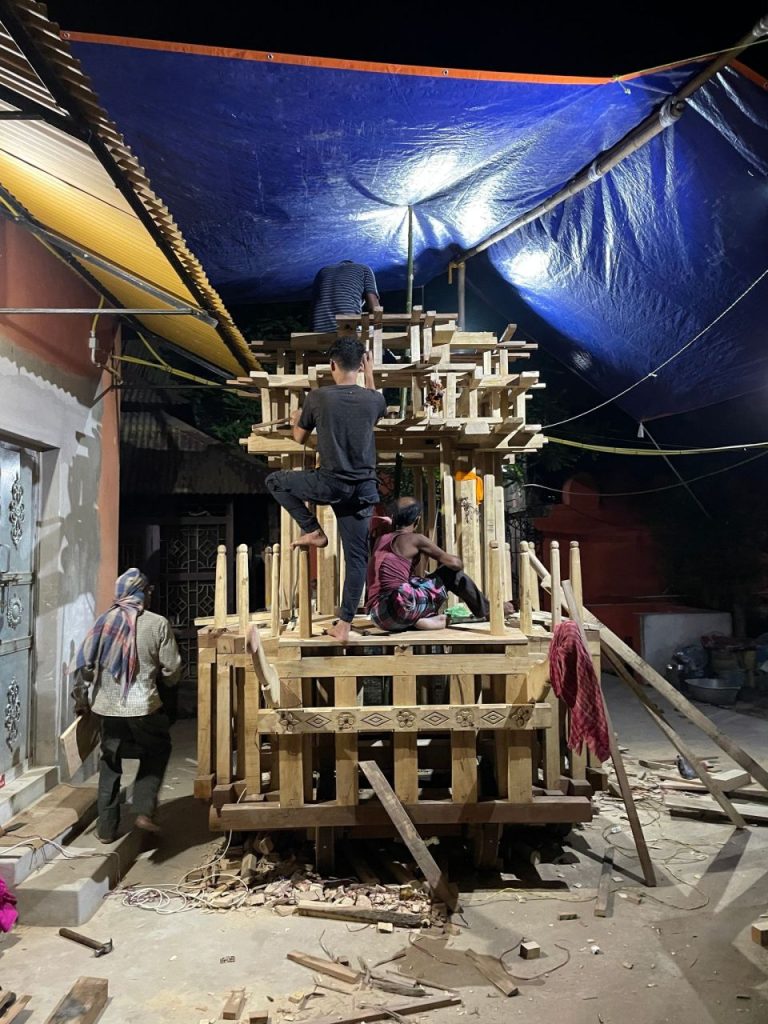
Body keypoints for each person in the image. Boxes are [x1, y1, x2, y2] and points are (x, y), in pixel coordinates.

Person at [265, 337, 387, 642]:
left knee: (275, 481)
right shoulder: (374, 401)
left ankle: (314, 530)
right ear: (360, 365)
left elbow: (299, 439)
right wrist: (370, 373)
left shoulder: (318, 398)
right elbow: (374, 397)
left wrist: (296, 419)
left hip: (330, 483)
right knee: (357, 559)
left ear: (332, 364)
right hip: (363, 490)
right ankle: (344, 624)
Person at [71, 568, 181, 842]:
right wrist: (165, 682)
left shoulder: (103, 622)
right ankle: (143, 810)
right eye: (148, 591)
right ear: (142, 593)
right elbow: (172, 668)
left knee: (110, 762)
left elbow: (83, 665)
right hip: (144, 706)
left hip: (107, 708)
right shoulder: (156, 623)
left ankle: (106, 830)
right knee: (157, 750)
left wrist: (82, 701)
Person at [366, 497, 513, 632]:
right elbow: (456, 565)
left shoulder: (381, 540)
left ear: (393, 518)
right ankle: (488, 611)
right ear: (417, 521)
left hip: (377, 616)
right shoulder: (415, 539)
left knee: (413, 582)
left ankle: (419, 620)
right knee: (449, 573)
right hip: (398, 608)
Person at [311, 260, 380, 332]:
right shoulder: (364, 269)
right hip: (346, 330)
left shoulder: (322, 271)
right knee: (373, 330)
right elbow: (374, 308)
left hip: (317, 330)